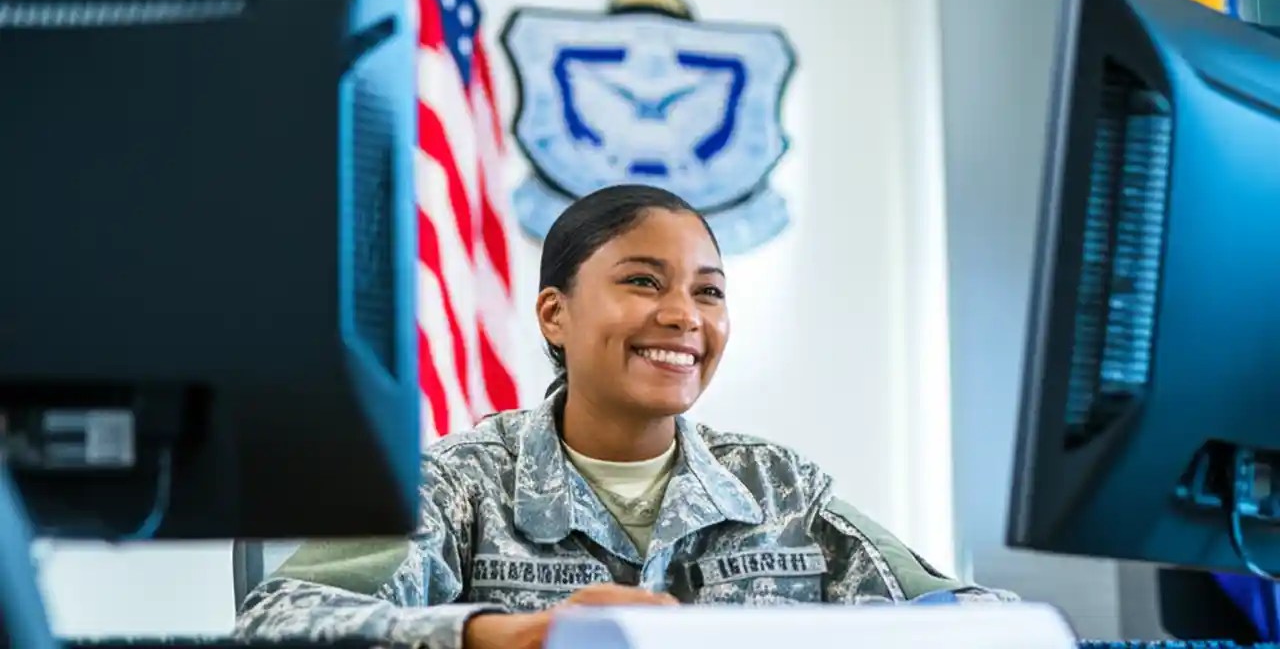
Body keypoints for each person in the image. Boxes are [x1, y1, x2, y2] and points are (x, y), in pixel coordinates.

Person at [234, 185, 1014, 649]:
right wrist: (491, 635)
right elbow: (276, 620)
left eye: (708, 292)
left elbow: (980, 623)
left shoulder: (780, 489)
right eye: (644, 282)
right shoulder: (459, 485)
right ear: (554, 316)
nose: (683, 315)